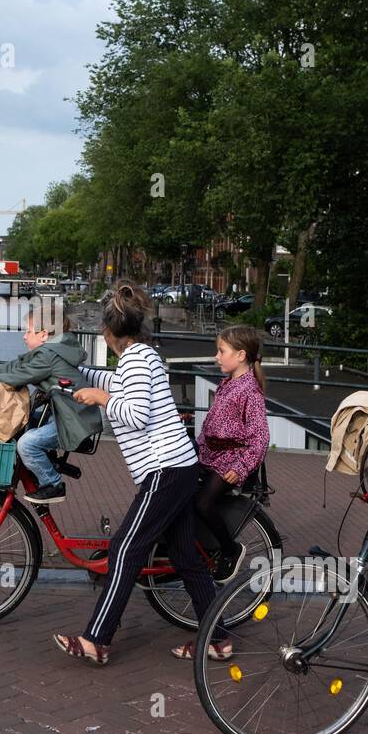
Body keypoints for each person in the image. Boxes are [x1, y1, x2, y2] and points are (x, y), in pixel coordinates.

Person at [51, 282, 231, 665]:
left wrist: (100, 399)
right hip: (179, 466)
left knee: (124, 549)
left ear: (109, 332)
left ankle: (97, 639)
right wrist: (78, 372)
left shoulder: (135, 359)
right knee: (186, 558)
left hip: (164, 470)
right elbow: (119, 383)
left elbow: (134, 413)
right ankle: (218, 639)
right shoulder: (143, 356)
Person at [0, 298, 102, 504]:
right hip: (64, 413)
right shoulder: (51, 350)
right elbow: (14, 366)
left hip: (73, 421)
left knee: (26, 444)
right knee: (20, 424)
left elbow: (15, 376)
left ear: (43, 335)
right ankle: (35, 469)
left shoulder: (47, 356)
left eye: (28, 331)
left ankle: (53, 484)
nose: (24, 336)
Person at [195, 324, 270, 583]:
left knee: (203, 503)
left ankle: (229, 549)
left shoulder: (250, 391)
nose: (217, 357)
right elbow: (213, 423)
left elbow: (260, 438)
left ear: (240, 355)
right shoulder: (227, 383)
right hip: (209, 455)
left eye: (221, 351)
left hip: (229, 462)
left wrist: (239, 468)